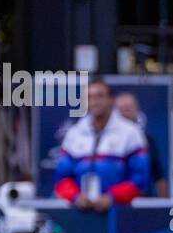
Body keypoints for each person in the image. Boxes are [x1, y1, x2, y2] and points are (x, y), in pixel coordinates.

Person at [54, 77, 150, 211]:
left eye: (99, 96)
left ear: (111, 100)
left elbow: (140, 180)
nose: (94, 101)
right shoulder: (74, 134)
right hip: (81, 212)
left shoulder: (131, 133)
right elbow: (62, 179)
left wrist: (112, 197)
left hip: (119, 213)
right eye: (90, 97)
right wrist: (76, 197)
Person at [114, 91, 168, 198]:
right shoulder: (103, 142)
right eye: (121, 109)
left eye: (128, 108)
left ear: (137, 111)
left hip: (141, 202)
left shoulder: (148, 141)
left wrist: (165, 206)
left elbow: (158, 176)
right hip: (111, 203)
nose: (125, 113)